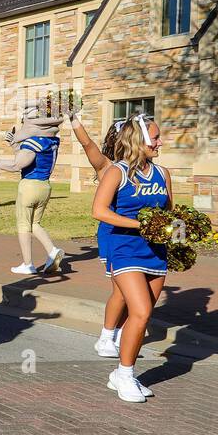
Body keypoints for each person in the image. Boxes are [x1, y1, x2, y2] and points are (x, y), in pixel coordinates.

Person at [91, 115, 169, 403]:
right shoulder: (117, 172)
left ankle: (122, 374)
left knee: (142, 317)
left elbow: (168, 212)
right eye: (156, 137)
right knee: (141, 312)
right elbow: (99, 211)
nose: (160, 142)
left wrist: (180, 233)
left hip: (156, 252)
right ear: (141, 141)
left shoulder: (163, 174)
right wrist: (140, 225)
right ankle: (124, 374)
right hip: (124, 248)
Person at [68, 113, 127, 358]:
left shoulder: (145, 168)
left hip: (137, 236)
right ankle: (106, 337)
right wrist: (73, 119)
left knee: (136, 293)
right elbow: (87, 144)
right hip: (113, 234)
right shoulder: (107, 166)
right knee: (123, 290)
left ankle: (125, 337)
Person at [0, 106, 66, 275]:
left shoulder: (33, 142)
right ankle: (52, 251)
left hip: (30, 185)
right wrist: (15, 144)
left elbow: (18, 164)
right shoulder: (52, 141)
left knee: (24, 225)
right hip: (45, 186)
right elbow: (24, 156)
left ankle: (28, 264)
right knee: (35, 223)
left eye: (25, 121)